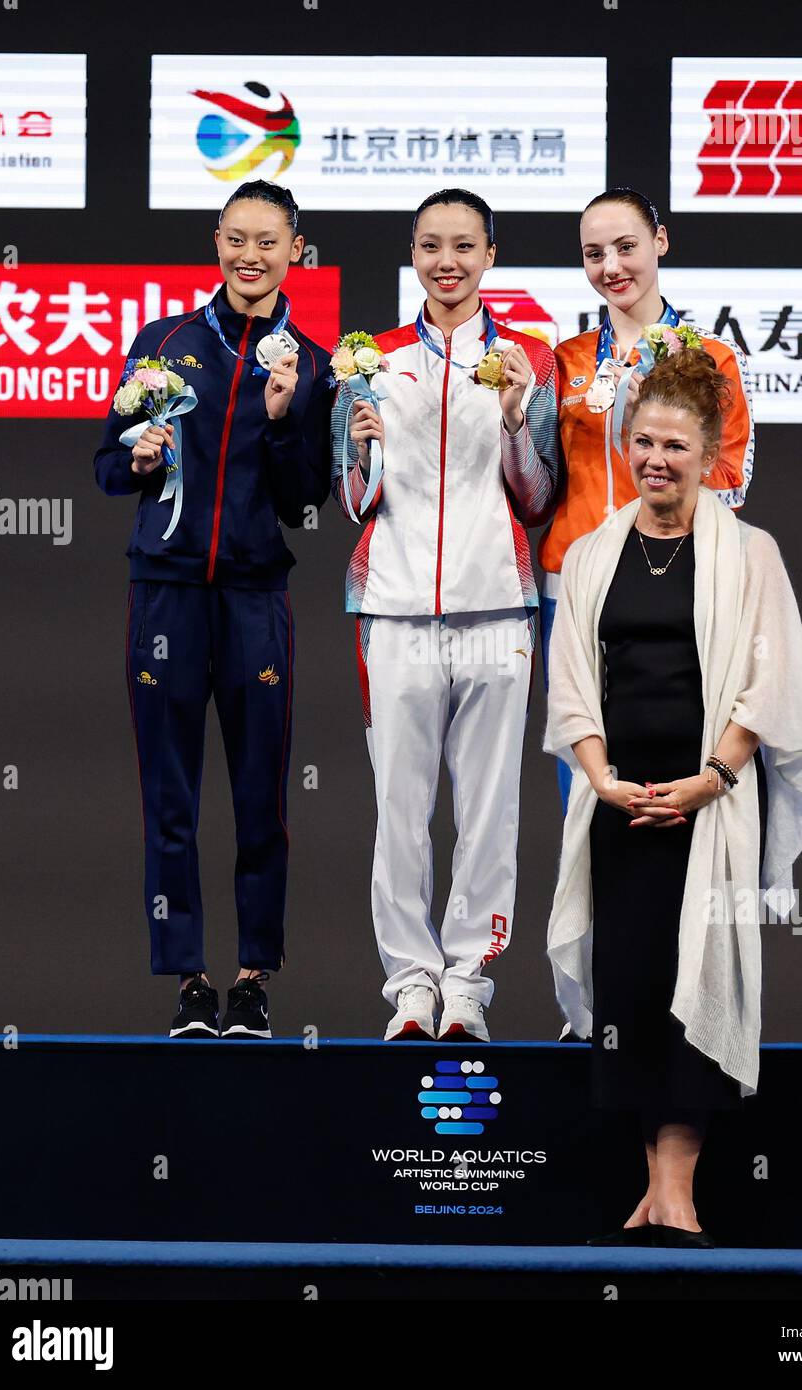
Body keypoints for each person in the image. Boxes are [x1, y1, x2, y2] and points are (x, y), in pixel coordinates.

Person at [543, 350, 802, 1246]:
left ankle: (677, 1188)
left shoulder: (750, 554)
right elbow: (570, 687)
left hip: (711, 805)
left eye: (676, 445)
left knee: (699, 981)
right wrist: (599, 778)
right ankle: (652, 1185)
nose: (656, 459)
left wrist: (711, 780)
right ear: (624, 447)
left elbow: (768, 682)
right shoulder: (591, 554)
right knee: (629, 991)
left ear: (709, 457)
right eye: (643, 442)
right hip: (619, 810)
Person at [93, 179, 334, 1039]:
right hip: (163, 587)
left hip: (254, 593)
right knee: (170, 792)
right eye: (236, 238)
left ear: (295, 250)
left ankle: (251, 977)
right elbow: (108, 468)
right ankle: (190, 978)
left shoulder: (309, 360)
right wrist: (143, 453)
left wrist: (279, 419)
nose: (250, 255)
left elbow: (308, 493)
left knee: (260, 791)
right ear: (217, 242)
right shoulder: (163, 341)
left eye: (267, 241)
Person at [331, 188, 559, 1044]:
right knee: (399, 803)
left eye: (465, 245)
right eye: (431, 245)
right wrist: (357, 448)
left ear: (490, 255)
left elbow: (536, 500)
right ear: (413, 255)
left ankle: (468, 983)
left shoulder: (528, 358)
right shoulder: (367, 359)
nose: (447, 261)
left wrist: (510, 425)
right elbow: (349, 501)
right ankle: (409, 985)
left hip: (497, 603)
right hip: (391, 607)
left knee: (490, 806)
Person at [539, 188, 754, 813]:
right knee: (582, 781)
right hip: (573, 584)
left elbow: (735, 481)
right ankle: (596, 912)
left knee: (675, 761)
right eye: (594, 253)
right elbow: (540, 483)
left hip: (675, 585)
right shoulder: (566, 361)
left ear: (660, 242)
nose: (612, 267)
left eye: (626, 247)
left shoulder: (711, 358)